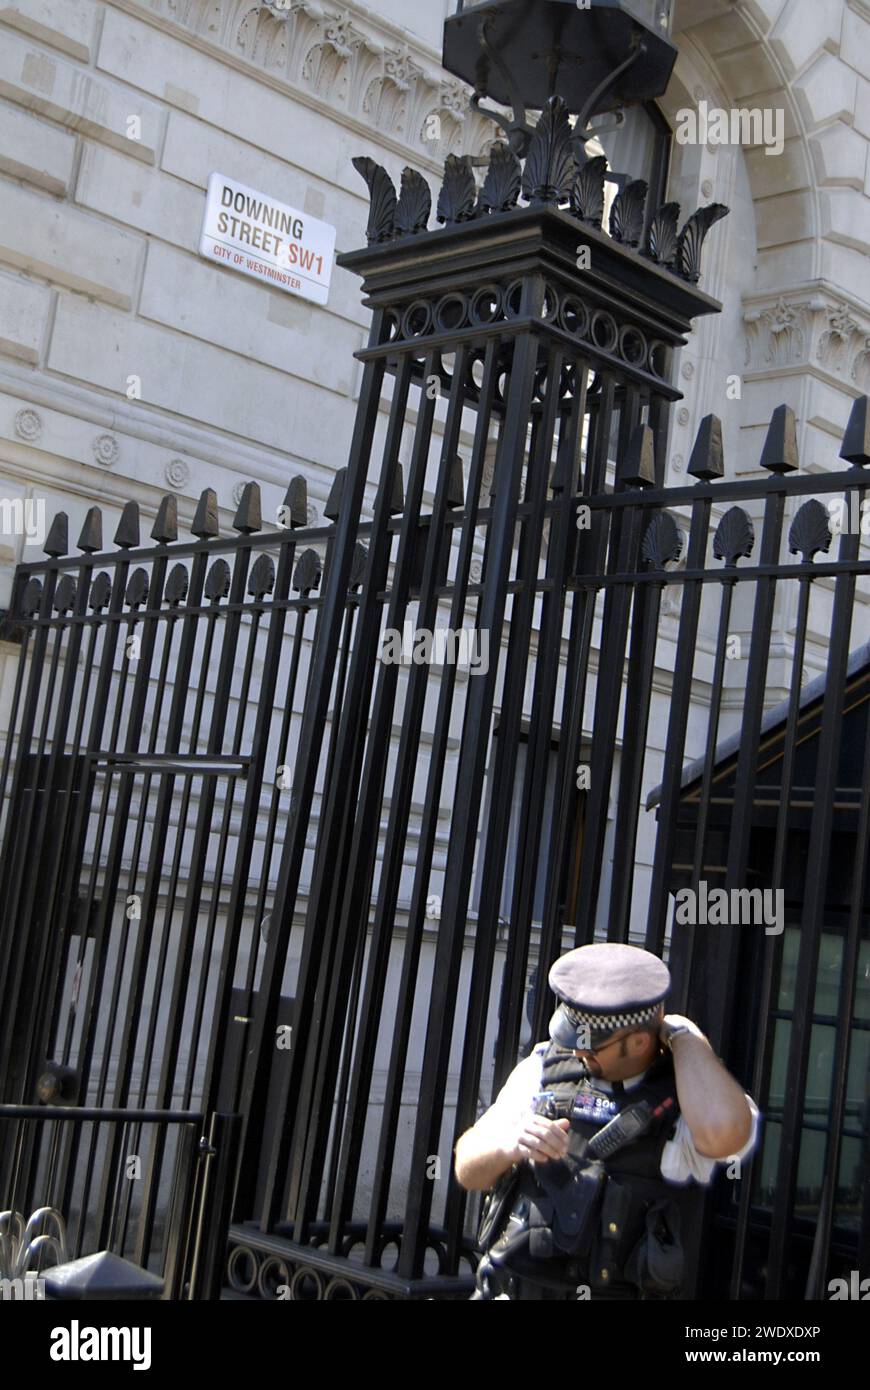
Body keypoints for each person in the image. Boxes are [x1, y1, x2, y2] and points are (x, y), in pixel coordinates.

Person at [454, 942, 759, 1300]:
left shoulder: (691, 1097)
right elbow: (466, 1168)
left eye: (594, 1045)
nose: (580, 1052)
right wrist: (510, 1145)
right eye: (574, 1037)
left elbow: (728, 1135)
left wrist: (683, 1035)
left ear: (641, 1040)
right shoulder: (544, 1066)